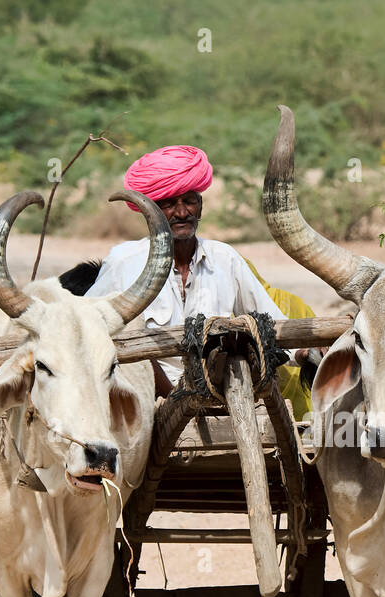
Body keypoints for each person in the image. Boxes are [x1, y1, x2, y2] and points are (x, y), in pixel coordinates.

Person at [83, 144, 315, 413]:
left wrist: (303, 353)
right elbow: (90, 329)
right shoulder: (124, 262)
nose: (182, 212)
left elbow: (272, 325)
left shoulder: (225, 259)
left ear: (201, 205)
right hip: (147, 405)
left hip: (225, 400)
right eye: (168, 204)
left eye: (189, 201)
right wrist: (176, 400)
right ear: (151, 211)